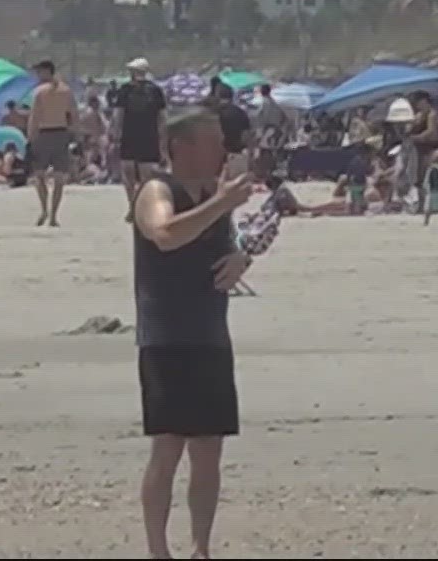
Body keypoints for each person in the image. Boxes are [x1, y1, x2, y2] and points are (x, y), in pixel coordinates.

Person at [132, 107, 255, 560]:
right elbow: (165, 233)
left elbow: (226, 245)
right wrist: (222, 203)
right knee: (168, 448)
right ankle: (158, 551)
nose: (223, 148)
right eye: (213, 140)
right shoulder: (157, 190)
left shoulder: (212, 195)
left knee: (209, 453)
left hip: (210, 335)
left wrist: (241, 258)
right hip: (166, 338)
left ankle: (201, 547)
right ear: (182, 148)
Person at [111, 58, 169, 220]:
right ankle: (144, 207)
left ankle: (133, 206)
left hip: (129, 137)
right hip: (150, 138)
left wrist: (116, 136)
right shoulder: (156, 90)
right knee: (147, 177)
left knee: (128, 175)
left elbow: (118, 115)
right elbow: (162, 119)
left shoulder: (125, 90)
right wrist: (163, 141)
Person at [26, 60, 76, 227]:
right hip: (61, 133)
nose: (38, 75)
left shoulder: (39, 92)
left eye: (39, 72)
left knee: (39, 175)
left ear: (47, 71)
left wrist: (30, 139)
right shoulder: (66, 91)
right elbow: (74, 115)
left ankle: (45, 210)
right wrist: (75, 135)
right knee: (59, 178)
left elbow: (34, 117)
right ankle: (53, 215)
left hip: (44, 134)